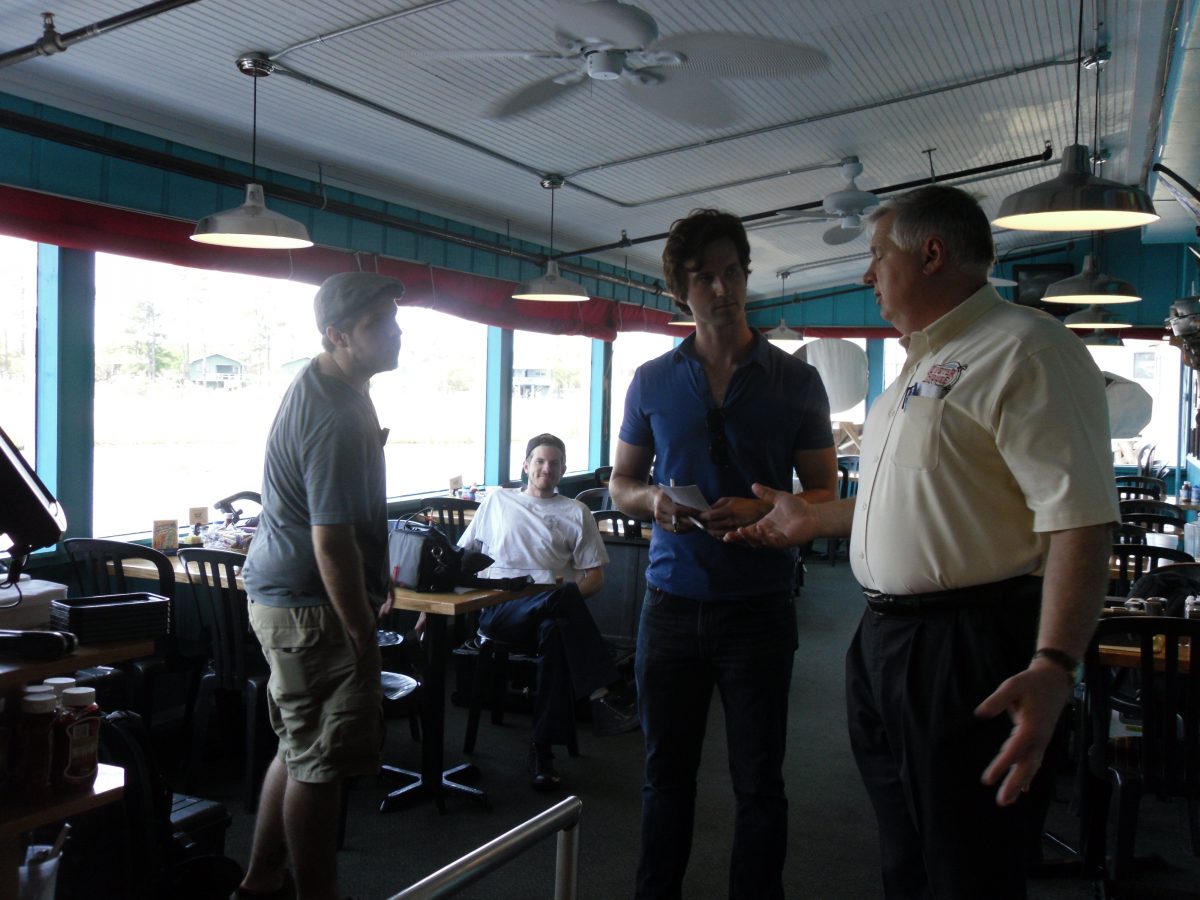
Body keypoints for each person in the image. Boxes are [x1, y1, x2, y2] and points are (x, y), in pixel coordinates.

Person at [730, 185, 1119, 900]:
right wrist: (811, 520)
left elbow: (1082, 521)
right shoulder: (913, 368)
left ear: (931, 253)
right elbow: (904, 502)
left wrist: (1055, 664)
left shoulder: (1025, 351)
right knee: (905, 849)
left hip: (969, 647)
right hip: (882, 641)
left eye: (877, 256)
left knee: (967, 861)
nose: (866, 275)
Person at [608, 208, 838, 900]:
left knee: (760, 784)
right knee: (664, 777)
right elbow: (621, 484)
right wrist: (656, 504)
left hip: (760, 606)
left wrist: (768, 507)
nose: (722, 288)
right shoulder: (650, 380)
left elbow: (824, 491)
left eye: (732, 272)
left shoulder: (796, 381)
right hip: (671, 606)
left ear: (746, 276)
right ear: (681, 290)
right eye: (704, 276)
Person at [235, 271, 404, 900]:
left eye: (393, 319)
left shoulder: (331, 383)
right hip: (313, 609)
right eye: (378, 325)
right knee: (322, 763)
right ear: (337, 335)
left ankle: (259, 881)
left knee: (300, 747)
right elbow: (329, 541)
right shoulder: (334, 413)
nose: (395, 332)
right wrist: (362, 630)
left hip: (290, 601)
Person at [458, 433, 640, 792]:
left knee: (557, 627)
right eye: (539, 461)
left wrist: (559, 598)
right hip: (498, 610)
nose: (546, 468)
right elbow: (462, 559)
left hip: (547, 618)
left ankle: (541, 751)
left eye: (554, 463)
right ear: (526, 465)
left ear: (564, 471)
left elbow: (596, 580)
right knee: (561, 602)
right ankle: (604, 692)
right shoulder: (497, 501)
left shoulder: (576, 512)